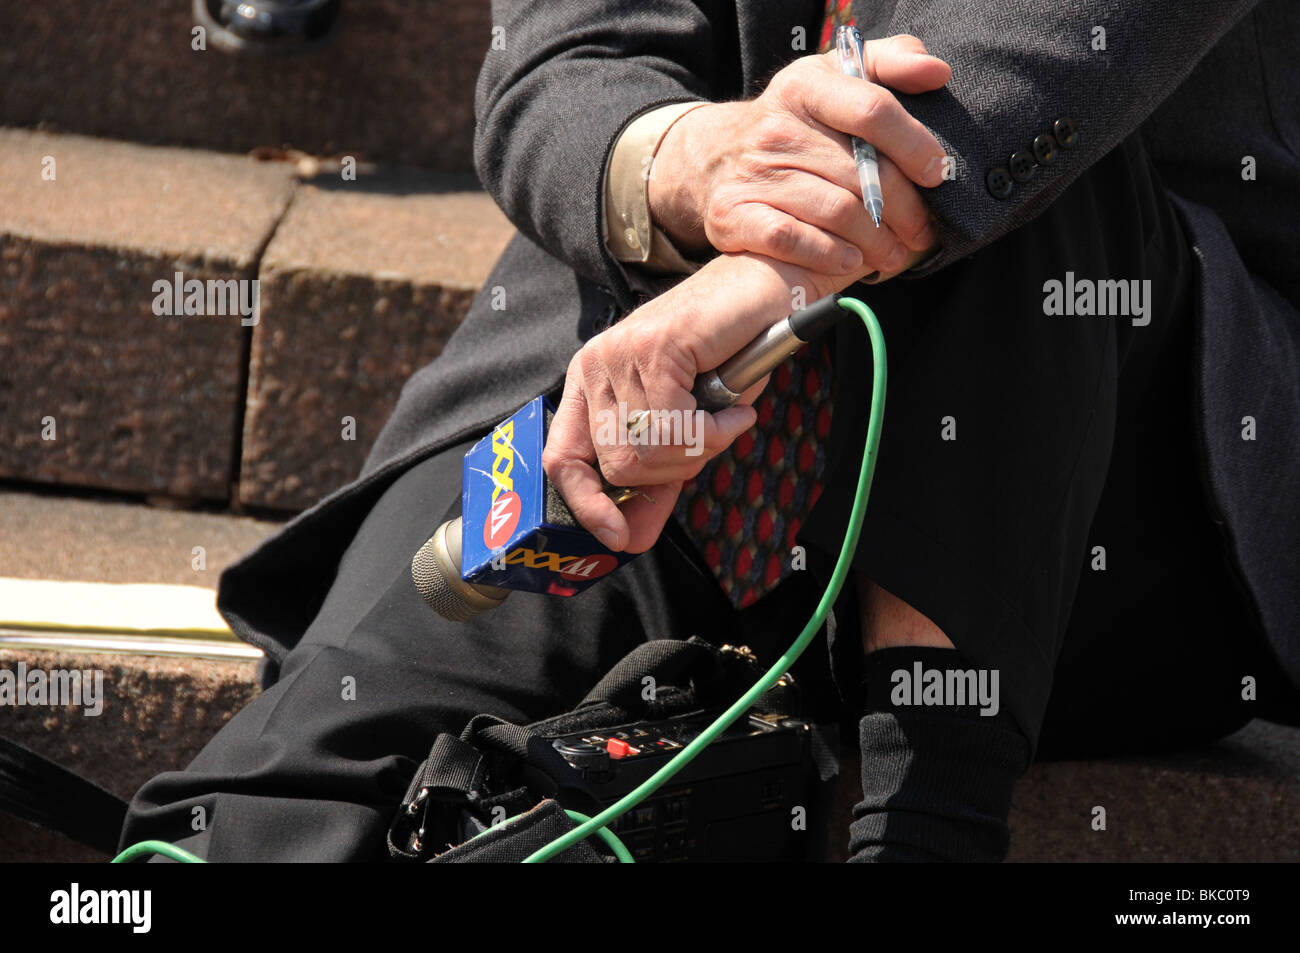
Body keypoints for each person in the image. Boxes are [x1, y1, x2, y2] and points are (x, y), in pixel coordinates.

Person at [121, 0, 1300, 861]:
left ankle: (923, 831)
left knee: (977, 119)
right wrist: (696, 167)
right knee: (301, 775)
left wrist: (787, 251)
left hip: (1112, 466)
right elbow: (563, 57)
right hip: (650, 375)